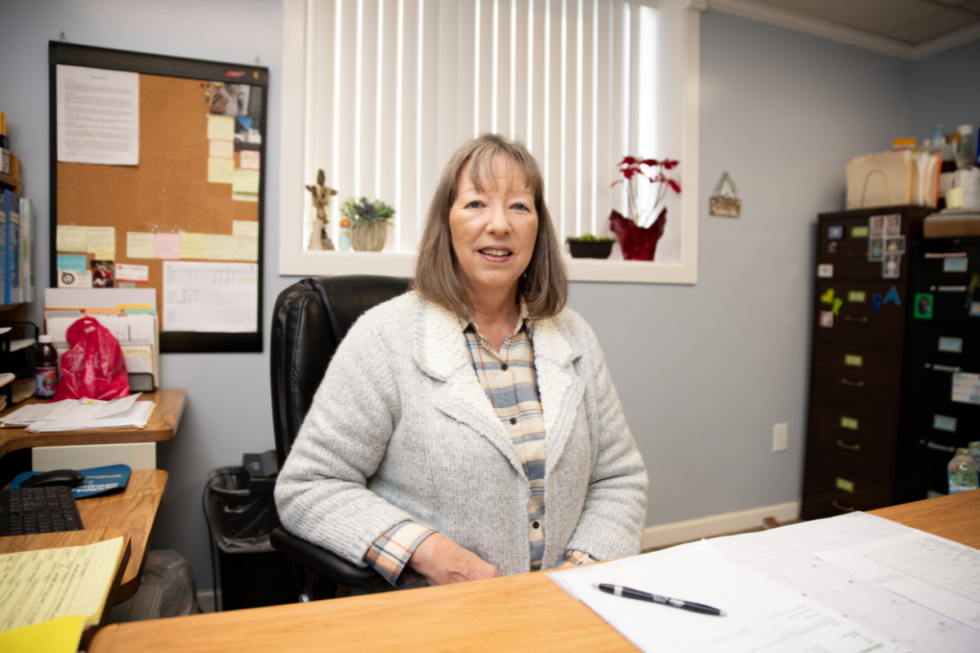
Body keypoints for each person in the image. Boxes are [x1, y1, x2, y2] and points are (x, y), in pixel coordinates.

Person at [275, 134, 648, 591]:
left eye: (519, 206)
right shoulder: (383, 336)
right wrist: (432, 553)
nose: (499, 225)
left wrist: (584, 570)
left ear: (538, 227)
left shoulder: (574, 335)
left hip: (564, 610)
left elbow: (620, 477)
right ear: (445, 223)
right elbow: (309, 485)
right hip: (432, 619)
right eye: (475, 204)